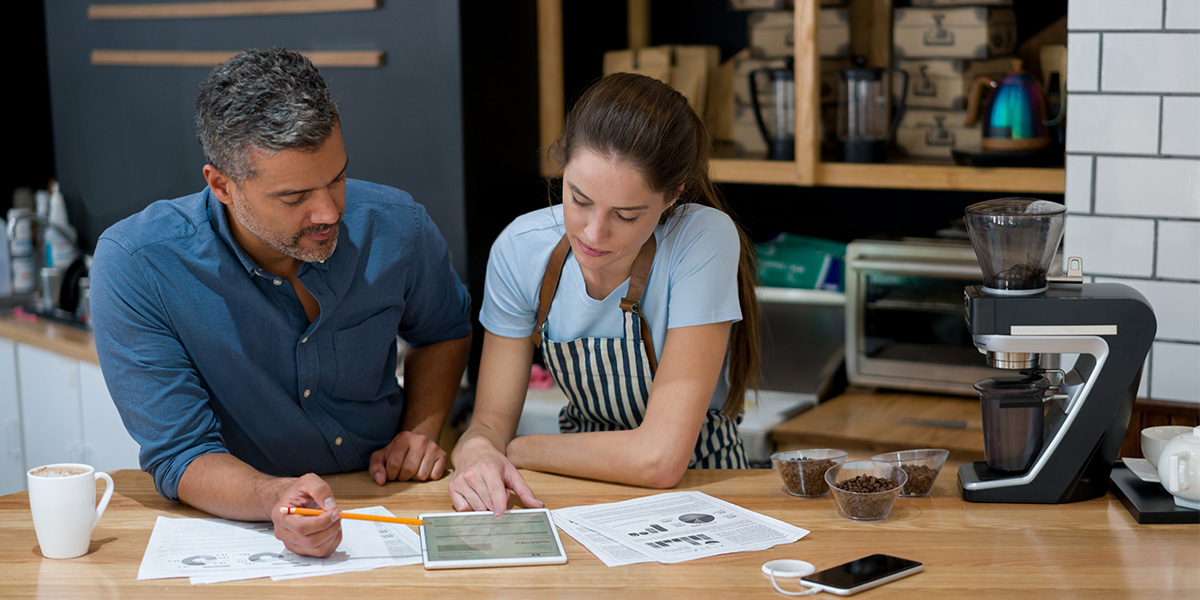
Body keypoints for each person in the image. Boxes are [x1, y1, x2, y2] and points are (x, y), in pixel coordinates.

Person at [89, 48, 472, 557]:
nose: (329, 211)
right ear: (222, 185)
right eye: (294, 198)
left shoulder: (398, 225)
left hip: (392, 502)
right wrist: (274, 498)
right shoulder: (138, 264)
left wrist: (421, 429)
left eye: (337, 178)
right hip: (240, 523)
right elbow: (181, 454)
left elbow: (445, 330)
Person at [448, 73, 761, 514]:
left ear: (674, 195)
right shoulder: (520, 249)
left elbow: (660, 460)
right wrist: (478, 450)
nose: (594, 233)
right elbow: (487, 424)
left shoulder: (703, 238)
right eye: (578, 200)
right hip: (575, 489)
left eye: (627, 215)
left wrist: (515, 450)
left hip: (701, 486)